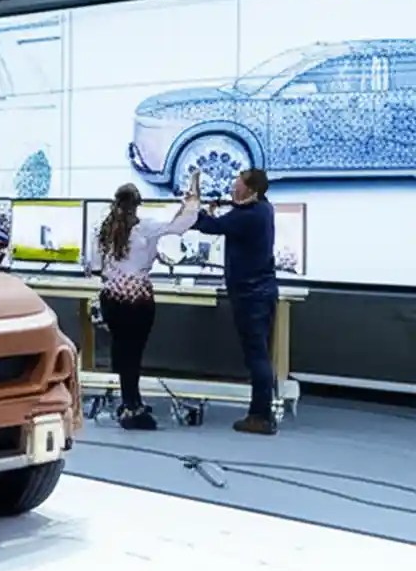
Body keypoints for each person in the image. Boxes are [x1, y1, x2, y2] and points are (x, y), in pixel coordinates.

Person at [86, 175, 199, 430]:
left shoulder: (102, 230)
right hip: (137, 301)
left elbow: (95, 268)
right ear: (138, 205)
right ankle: (131, 407)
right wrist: (192, 199)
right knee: (133, 355)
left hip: (112, 299)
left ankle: (131, 401)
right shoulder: (145, 228)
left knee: (123, 351)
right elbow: (181, 224)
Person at [192, 168, 279, 436]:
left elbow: (208, 226)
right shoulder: (263, 208)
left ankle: (260, 416)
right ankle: (263, 410)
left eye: (237, 186)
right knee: (259, 354)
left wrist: (194, 203)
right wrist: (222, 207)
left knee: (256, 356)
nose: (232, 190)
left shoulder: (247, 217)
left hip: (250, 295)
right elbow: (235, 211)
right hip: (261, 291)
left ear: (251, 190)